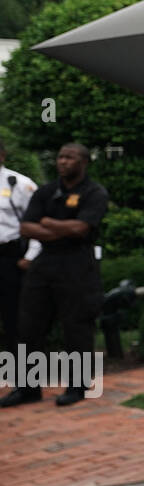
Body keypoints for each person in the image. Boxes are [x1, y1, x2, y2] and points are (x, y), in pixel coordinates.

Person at [0, 143, 108, 408]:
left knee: (77, 325)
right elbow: (26, 226)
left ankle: (77, 386)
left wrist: (48, 224)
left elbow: (82, 228)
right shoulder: (46, 192)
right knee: (29, 326)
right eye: (60, 157)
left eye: (70, 158)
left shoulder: (94, 192)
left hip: (78, 263)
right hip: (45, 262)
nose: (63, 162)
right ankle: (26, 388)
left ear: (84, 162)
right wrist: (59, 230)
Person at [0, 139, 39, 359]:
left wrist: (31, 255)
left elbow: (38, 221)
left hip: (10, 256)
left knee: (13, 317)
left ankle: (19, 374)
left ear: (2, 155)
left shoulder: (20, 184)